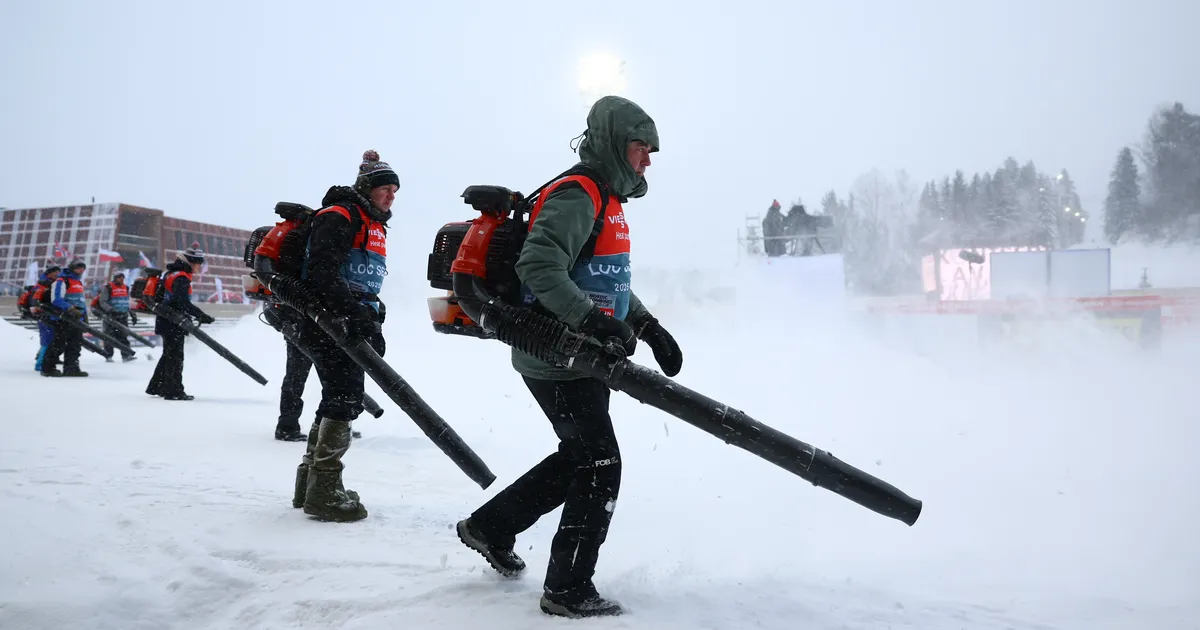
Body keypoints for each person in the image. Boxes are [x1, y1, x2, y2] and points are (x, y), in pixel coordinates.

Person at [454, 96, 683, 619]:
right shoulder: (580, 193)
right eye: (640, 147)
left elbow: (607, 277)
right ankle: (568, 587)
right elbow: (539, 264)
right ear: (612, 142)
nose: (647, 160)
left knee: (578, 456)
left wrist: (646, 325)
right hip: (557, 353)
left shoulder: (607, 199)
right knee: (600, 464)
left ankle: (490, 527)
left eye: (651, 151)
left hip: (584, 353)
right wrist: (590, 321)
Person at [290, 149, 394, 522]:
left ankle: (311, 484)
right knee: (344, 398)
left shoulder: (369, 222)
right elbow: (322, 273)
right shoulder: (340, 216)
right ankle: (324, 492)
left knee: (337, 396)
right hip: (328, 321)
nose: (392, 195)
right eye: (386, 188)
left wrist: (370, 316)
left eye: (395, 190)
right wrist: (354, 314)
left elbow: (359, 277)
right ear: (367, 187)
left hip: (346, 319)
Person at [146, 249, 214, 400]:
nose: (199, 267)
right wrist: (200, 315)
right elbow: (181, 302)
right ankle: (173, 391)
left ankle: (157, 386)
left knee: (169, 354)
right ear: (191, 262)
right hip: (173, 321)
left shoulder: (171, 273)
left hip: (165, 319)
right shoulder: (181, 277)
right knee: (175, 357)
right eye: (199, 263)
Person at [44, 259, 90, 377]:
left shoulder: (78, 282)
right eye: (78, 267)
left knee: (75, 345)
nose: (80, 270)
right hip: (63, 318)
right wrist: (70, 309)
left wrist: (85, 316)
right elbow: (56, 299)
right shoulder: (61, 281)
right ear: (71, 268)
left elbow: (81, 301)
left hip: (77, 319)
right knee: (58, 344)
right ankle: (48, 368)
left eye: (82, 268)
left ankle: (71, 368)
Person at [96, 271, 138, 362]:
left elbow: (126, 302)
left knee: (123, 336)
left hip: (123, 316)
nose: (122, 279)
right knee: (109, 336)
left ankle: (126, 355)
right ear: (115, 278)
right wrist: (109, 309)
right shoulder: (108, 287)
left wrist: (132, 314)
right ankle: (108, 356)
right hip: (111, 316)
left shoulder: (126, 288)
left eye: (123, 278)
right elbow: (102, 301)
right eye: (120, 278)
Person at [30, 265, 60, 372]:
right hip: (46, 317)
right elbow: (34, 303)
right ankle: (40, 363)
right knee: (48, 341)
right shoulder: (42, 286)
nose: (57, 274)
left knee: (47, 341)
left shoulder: (45, 285)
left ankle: (42, 360)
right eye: (55, 272)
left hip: (47, 316)